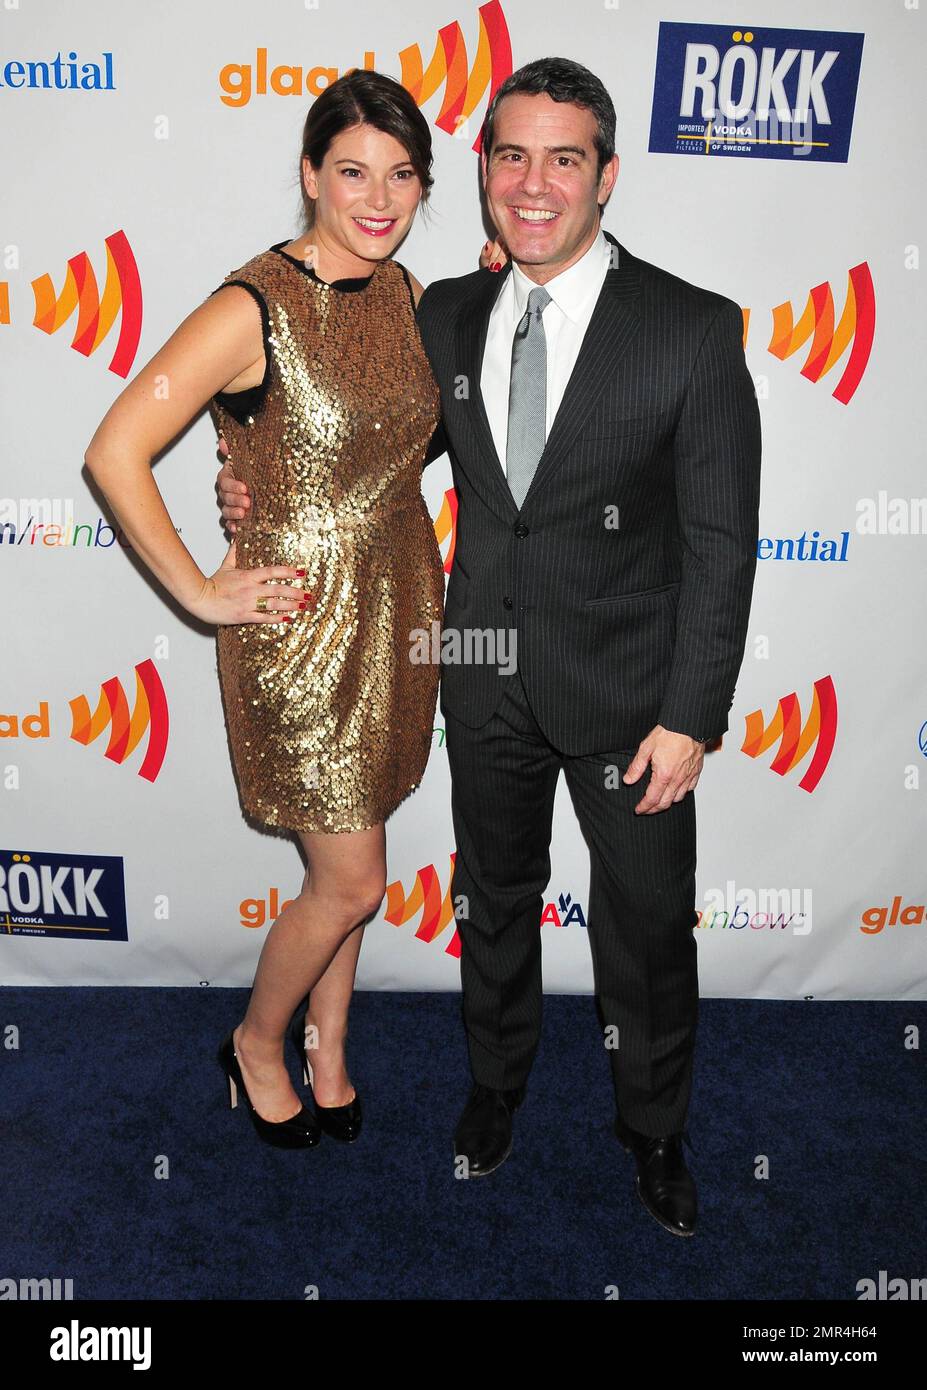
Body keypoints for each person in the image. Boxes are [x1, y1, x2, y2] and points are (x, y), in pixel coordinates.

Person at [219, 57, 762, 1234]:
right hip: (482, 678)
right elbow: (359, 452)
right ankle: (496, 1087)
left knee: (647, 930)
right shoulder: (445, 313)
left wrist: (691, 716)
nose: (534, 182)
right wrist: (249, 484)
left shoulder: (693, 329)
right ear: (481, 173)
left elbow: (723, 545)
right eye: (511, 154)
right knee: (493, 902)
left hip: (633, 700)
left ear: (607, 176)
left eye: (564, 158)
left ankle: (654, 1130)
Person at [85, 70, 446, 1150]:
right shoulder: (252, 303)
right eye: (351, 172)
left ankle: (329, 1047)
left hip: (395, 607)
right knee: (355, 877)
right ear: (308, 175)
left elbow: (388, 443)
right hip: (295, 626)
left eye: (401, 176)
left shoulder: (409, 293)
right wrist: (200, 588)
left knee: (355, 861)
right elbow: (116, 449)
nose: (377, 199)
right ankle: (255, 1040)